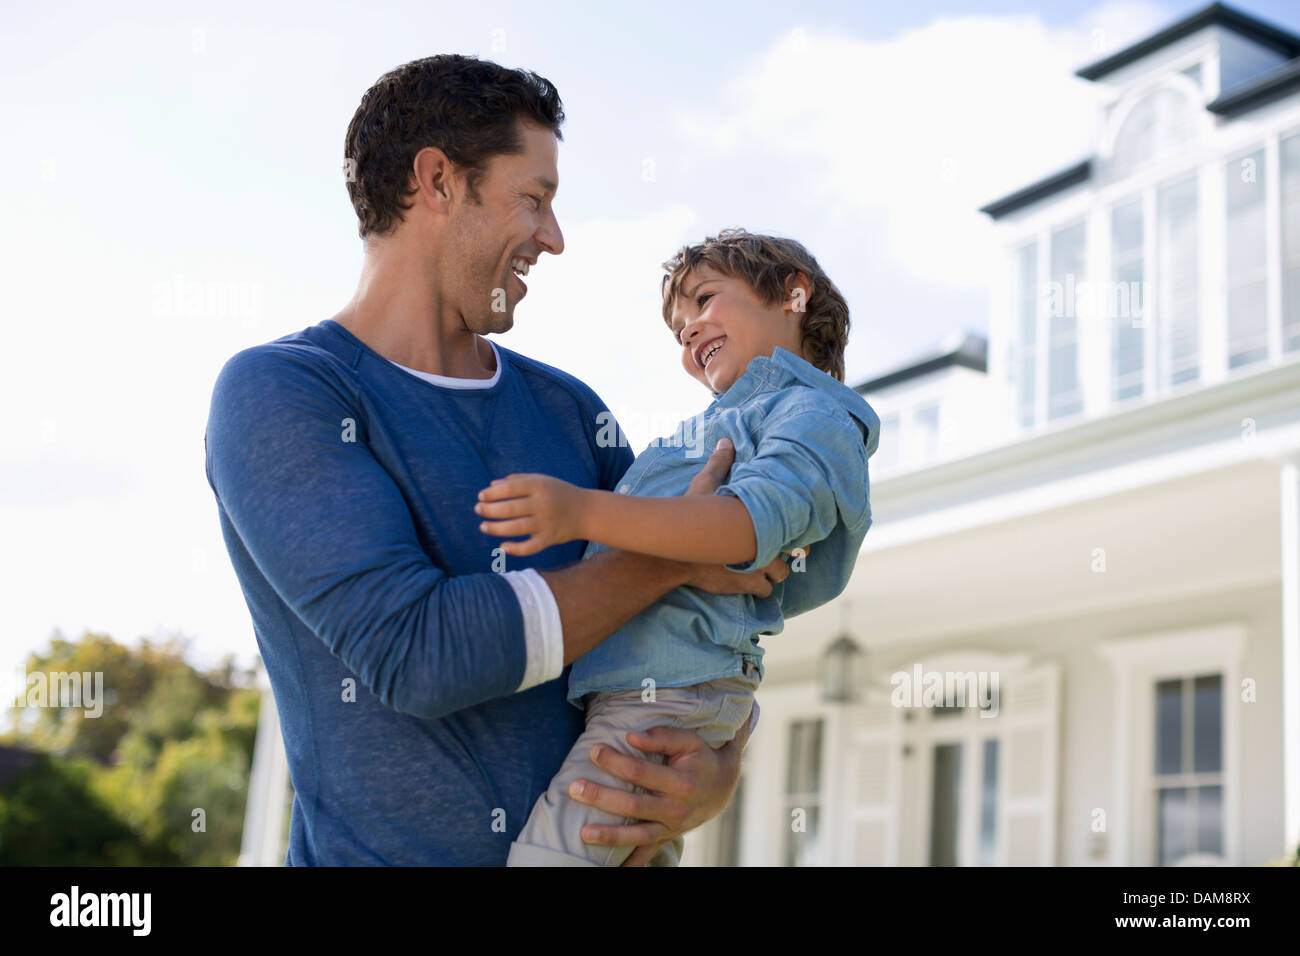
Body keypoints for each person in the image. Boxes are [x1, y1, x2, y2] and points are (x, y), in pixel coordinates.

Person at [204, 56, 791, 866]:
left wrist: (721, 765)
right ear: (438, 181)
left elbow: (690, 632)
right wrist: (671, 559)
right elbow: (417, 654)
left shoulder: (573, 412)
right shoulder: (283, 393)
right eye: (534, 199)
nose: (552, 237)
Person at [478, 229, 880, 866]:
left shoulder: (814, 416)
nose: (690, 329)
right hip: (650, 692)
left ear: (794, 297)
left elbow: (746, 525)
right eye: (678, 327)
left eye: (706, 300)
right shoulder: (725, 424)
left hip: (667, 693)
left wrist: (581, 511)